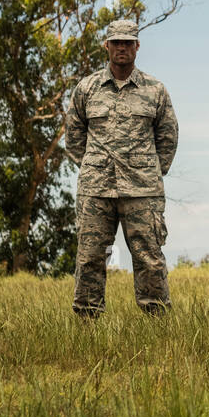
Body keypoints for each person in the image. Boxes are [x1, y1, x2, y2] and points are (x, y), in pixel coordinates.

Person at [66, 19, 178, 316]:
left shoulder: (155, 90)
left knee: (149, 258)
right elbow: (74, 137)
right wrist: (94, 167)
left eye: (128, 42)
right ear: (107, 46)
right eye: (116, 42)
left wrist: (149, 172)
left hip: (142, 190)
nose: (122, 48)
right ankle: (87, 322)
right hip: (96, 191)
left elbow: (168, 137)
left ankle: (156, 321)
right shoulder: (87, 88)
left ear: (137, 47)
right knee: (90, 257)